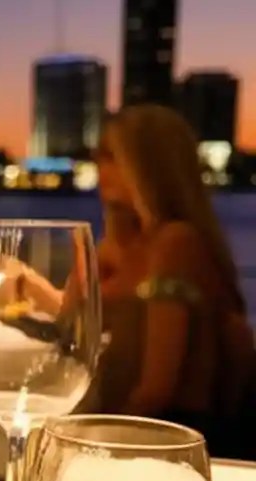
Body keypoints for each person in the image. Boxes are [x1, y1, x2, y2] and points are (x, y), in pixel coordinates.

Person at [16, 104, 255, 456]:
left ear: (148, 163)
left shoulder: (176, 243)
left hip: (167, 440)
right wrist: (39, 286)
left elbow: (157, 388)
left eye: (111, 156)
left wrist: (90, 445)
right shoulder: (127, 244)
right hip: (118, 421)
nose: (100, 169)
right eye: (99, 158)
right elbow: (73, 327)